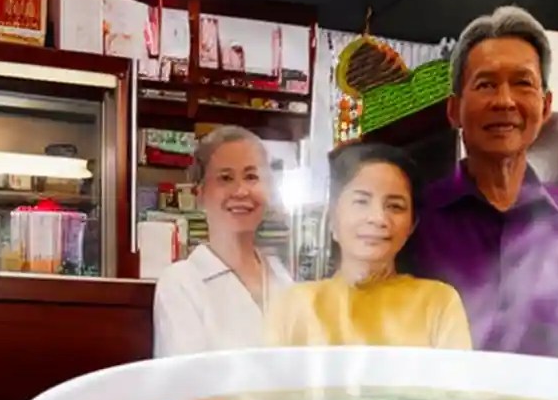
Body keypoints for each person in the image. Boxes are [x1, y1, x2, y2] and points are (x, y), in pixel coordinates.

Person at [399, 6, 558, 367]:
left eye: (523, 83)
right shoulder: (416, 220)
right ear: (453, 109)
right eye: (485, 84)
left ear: (546, 105)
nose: (505, 101)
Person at [266, 143, 471, 349]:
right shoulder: (293, 304)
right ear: (332, 218)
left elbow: (455, 370)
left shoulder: (438, 302)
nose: (378, 218)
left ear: (412, 225)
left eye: (395, 206)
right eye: (361, 202)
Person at [153, 126, 294, 357]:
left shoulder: (282, 279)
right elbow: (185, 375)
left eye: (251, 177)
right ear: (200, 194)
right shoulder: (181, 283)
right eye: (225, 178)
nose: (241, 191)